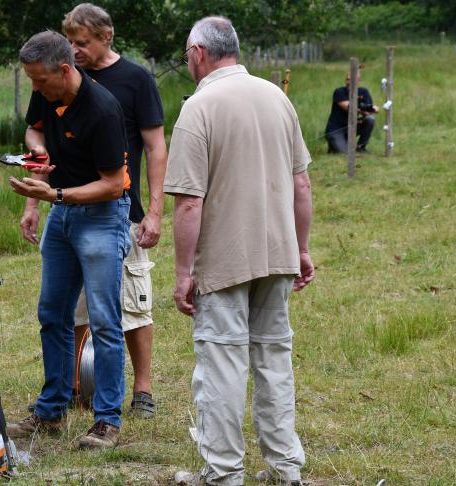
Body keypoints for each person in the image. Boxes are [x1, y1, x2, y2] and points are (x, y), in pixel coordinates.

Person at [165, 17, 314, 486]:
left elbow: (190, 202)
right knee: (274, 360)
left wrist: (183, 271)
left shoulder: (198, 107)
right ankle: (285, 467)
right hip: (278, 253)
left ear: (197, 52)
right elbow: (301, 183)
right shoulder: (277, 97)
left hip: (224, 260)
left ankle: (224, 473)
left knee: (222, 366)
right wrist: (302, 248)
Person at [5, 30, 130, 449]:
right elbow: (34, 133)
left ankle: (107, 420)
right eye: (31, 82)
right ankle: (51, 410)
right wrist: (38, 154)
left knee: (104, 322)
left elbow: (114, 186)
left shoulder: (103, 111)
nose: (35, 89)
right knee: (52, 313)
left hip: (101, 217)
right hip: (62, 216)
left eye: (40, 81)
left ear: (64, 69)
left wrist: (54, 194)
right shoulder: (46, 90)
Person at [62, 3, 167, 418]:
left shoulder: (136, 79)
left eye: (82, 42)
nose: (74, 50)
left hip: (124, 211)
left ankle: (142, 390)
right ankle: (72, 386)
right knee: (75, 306)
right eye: (70, 42)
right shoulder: (66, 78)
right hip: (71, 207)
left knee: (133, 303)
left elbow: (157, 147)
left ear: (106, 37)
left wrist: (154, 212)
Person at [324, 71, 379, 154]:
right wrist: (364, 108)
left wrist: (370, 109)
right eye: (347, 79)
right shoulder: (339, 92)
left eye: (352, 80)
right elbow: (348, 107)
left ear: (359, 81)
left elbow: (370, 111)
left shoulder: (363, 92)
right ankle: (333, 146)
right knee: (345, 153)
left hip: (351, 127)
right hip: (336, 130)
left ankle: (361, 146)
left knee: (370, 119)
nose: (349, 82)